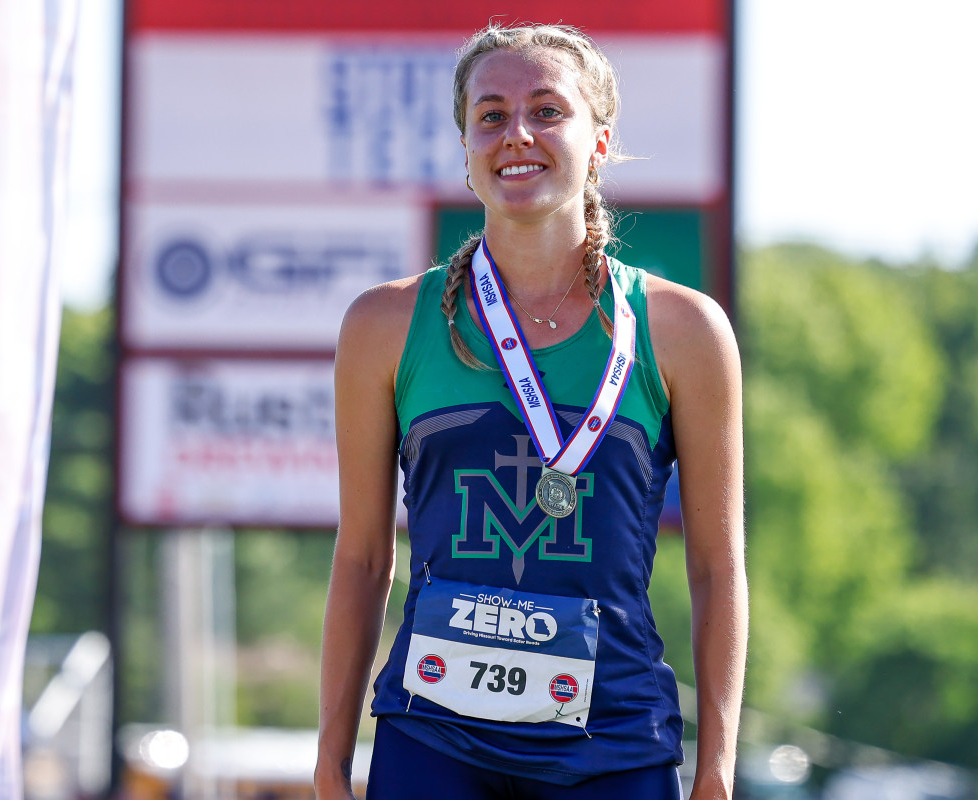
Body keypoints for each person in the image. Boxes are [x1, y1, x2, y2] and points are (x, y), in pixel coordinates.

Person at [315, 22, 746, 800]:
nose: (517, 134)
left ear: (600, 143)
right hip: (432, 735)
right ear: (467, 149)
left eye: (548, 111)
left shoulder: (684, 330)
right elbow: (363, 559)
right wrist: (330, 761)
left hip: (612, 744)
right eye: (491, 115)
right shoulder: (384, 324)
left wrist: (715, 767)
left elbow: (717, 569)